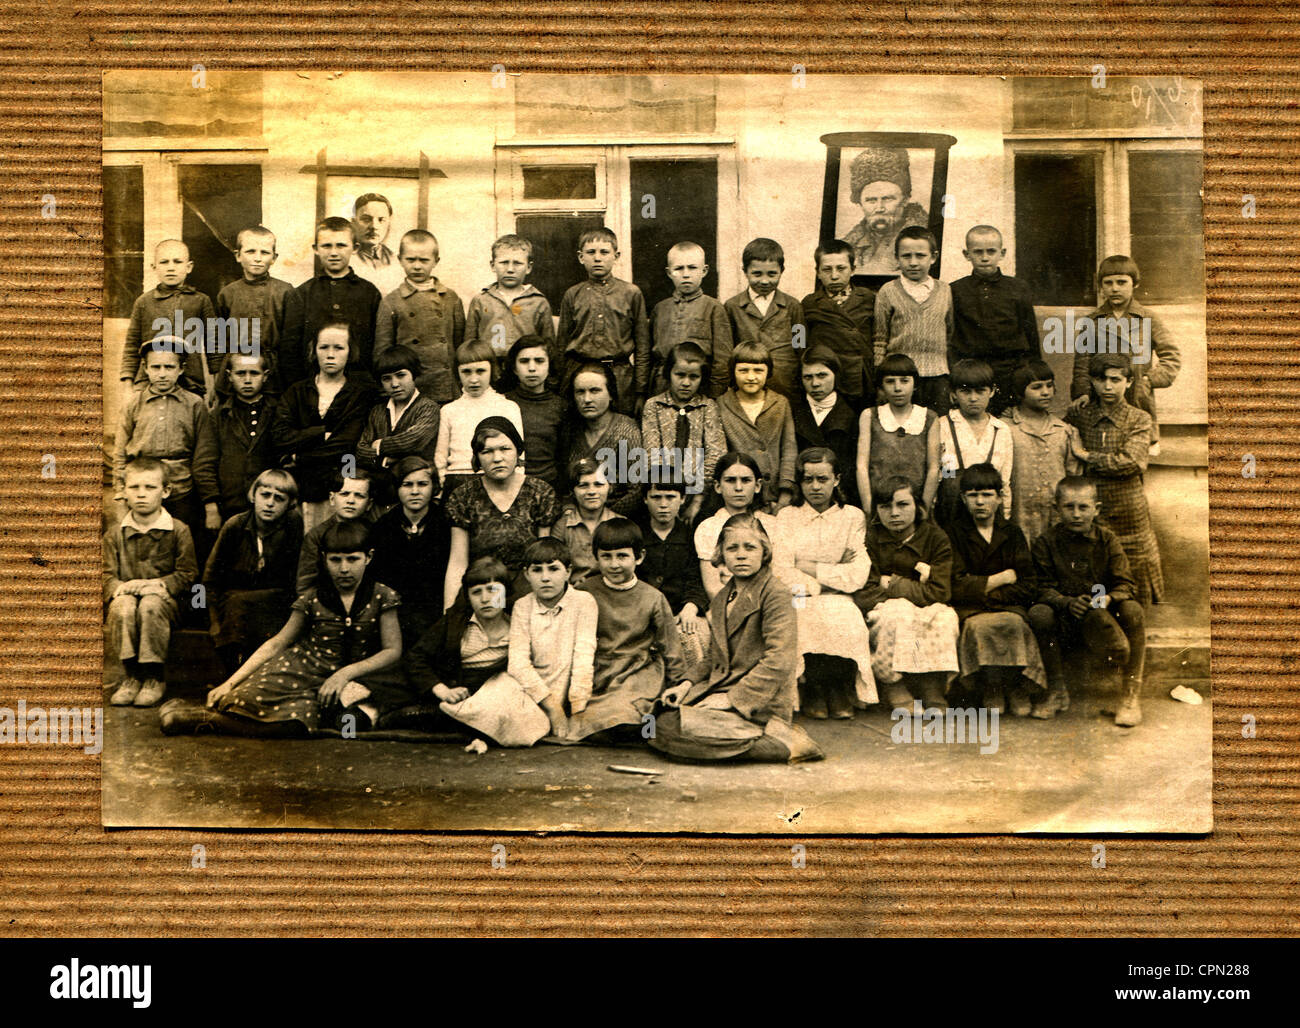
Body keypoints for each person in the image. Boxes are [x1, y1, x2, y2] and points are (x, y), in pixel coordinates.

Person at [159, 520, 402, 736]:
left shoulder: (382, 596)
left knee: (298, 723)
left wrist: (345, 673)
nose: (344, 569)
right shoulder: (313, 598)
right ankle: (202, 718)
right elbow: (277, 642)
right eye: (335, 560)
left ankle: (207, 722)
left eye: (353, 559)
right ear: (324, 559)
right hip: (302, 670)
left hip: (353, 675)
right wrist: (229, 683)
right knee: (241, 700)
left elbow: (393, 650)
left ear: (368, 557)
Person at [651, 513, 824, 764]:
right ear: (721, 554)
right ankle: (749, 740)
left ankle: (784, 744)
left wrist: (731, 699)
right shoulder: (723, 597)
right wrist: (686, 685)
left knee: (679, 737)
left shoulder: (776, 595)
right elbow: (714, 657)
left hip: (758, 702)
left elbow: (779, 660)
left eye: (750, 547)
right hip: (723, 688)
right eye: (732, 548)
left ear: (764, 551)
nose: (741, 555)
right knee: (660, 724)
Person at [1029, 476, 1146, 727]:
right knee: (1039, 613)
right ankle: (1057, 690)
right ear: (1056, 509)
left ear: (1097, 509)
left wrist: (1108, 598)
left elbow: (1126, 583)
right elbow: (1040, 587)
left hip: (1102, 615)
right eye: (1069, 507)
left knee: (1133, 610)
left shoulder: (1107, 540)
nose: (1076, 514)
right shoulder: (1046, 542)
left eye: (1083, 507)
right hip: (1065, 617)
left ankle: (1130, 694)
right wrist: (1065, 602)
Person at [774, 447, 876, 719]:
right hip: (797, 593)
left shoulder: (852, 516)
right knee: (801, 614)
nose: (815, 487)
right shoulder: (786, 517)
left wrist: (807, 566)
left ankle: (838, 687)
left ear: (837, 479)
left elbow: (857, 573)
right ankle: (814, 687)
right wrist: (826, 579)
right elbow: (782, 569)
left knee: (845, 615)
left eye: (823, 479)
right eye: (808, 480)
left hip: (840, 595)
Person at [404, 556, 543, 751]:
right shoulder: (456, 622)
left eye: (493, 590)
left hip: (495, 691)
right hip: (457, 686)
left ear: (506, 592)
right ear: (468, 597)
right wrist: (441, 689)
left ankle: (476, 732)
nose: (485, 599)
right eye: (476, 592)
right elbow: (416, 657)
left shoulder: (517, 624)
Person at [568, 519, 687, 742]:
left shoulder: (652, 597)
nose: (614, 564)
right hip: (597, 670)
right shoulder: (584, 592)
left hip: (636, 672)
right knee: (581, 712)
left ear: (639, 557)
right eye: (606, 556)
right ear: (596, 557)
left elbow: (670, 645)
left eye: (622, 556)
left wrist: (678, 686)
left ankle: (632, 726)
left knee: (627, 708)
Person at [948, 463, 1046, 717]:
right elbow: (955, 583)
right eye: (973, 495)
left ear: (1000, 498)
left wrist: (988, 593)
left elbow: (1028, 583)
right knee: (979, 627)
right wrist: (1000, 579)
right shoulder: (955, 534)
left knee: (1014, 624)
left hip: (1006, 605)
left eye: (987, 495)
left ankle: (1014, 685)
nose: (980, 502)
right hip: (970, 609)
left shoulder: (1012, 533)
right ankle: (990, 687)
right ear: (963, 498)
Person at [854, 476, 959, 712]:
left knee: (944, 617)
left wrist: (892, 585)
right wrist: (909, 594)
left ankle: (932, 684)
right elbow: (865, 591)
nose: (894, 513)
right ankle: (894, 684)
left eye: (902, 505)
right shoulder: (870, 538)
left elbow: (940, 591)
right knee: (898, 613)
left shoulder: (935, 538)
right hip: (885, 608)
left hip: (926, 605)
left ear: (918, 507)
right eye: (885, 506)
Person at [1066, 353, 1164, 605]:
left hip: (1128, 509)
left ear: (1129, 382)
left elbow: (1131, 462)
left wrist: (1087, 456)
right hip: (1092, 508)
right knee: (1095, 566)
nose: (1108, 387)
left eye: (1115, 379)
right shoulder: (1081, 415)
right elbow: (1060, 432)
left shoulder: (1139, 418)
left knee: (1135, 571)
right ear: (1092, 382)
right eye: (1100, 380)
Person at [112, 340, 220, 564]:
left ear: (181, 369)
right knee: (143, 552)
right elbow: (120, 452)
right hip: (142, 487)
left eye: (169, 367)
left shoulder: (194, 404)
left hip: (181, 489)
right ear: (145, 368)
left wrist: (210, 503)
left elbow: (204, 455)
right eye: (156, 367)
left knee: (181, 549)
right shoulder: (134, 403)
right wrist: (121, 493)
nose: (162, 374)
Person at [104, 458, 198, 708]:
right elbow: (105, 576)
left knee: (150, 604)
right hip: (128, 602)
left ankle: (154, 677)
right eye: (134, 488)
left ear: (165, 491)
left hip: (164, 605)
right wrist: (121, 587)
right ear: (123, 491)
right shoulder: (115, 534)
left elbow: (188, 574)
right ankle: (131, 676)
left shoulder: (178, 530)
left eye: (150, 487)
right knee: (122, 606)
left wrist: (158, 584)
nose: (141, 494)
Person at [1069, 255, 1181, 454]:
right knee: (1103, 450)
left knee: (1135, 452)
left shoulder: (1148, 319)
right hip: (1102, 397)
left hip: (1136, 397)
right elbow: (1082, 363)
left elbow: (1171, 357)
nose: (1114, 288)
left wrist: (1147, 380)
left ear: (1135, 284)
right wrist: (1083, 392)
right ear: (1100, 286)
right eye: (1108, 283)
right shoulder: (1092, 322)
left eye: (1122, 282)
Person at [443, 416, 559, 606]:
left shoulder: (540, 493)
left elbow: (545, 558)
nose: (497, 458)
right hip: (483, 590)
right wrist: (450, 611)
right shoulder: (464, 496)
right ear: (477, 457)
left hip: (529, 591)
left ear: (518, 452)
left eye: (505, 449)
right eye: (487, 451)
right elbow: (458, 562)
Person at [270, 323, 372, 532]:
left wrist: (299, 457)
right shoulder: (297, 391)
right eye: (324, 347)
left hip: (342, 486)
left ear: (350, 351)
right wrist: (319, 434)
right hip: (303, 489)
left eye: (339, 348)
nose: (330, 355)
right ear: (313, 350)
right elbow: (279, 436)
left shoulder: (360, 394)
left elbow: (347, 443)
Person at [203, 468, 303, 676]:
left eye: (279, 499)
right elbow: (211, 577)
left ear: (289, 504)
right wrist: (213, 621)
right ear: (253, 495)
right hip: (234, 603)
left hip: (275, 601)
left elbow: (297, 576)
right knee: (236, 605)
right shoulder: (235, 526)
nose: (270, 503)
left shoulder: (293, 525)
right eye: (265, 495)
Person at [505, 537, 600, 742]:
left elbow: (584, 657)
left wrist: (577, 709)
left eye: (553, 569)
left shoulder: (584, 602)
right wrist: (553, 708)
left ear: (568, 571)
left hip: (571, 691)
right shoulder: (523, 606)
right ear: (526, 574)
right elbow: (517, 663)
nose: (545, 578)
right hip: (533, 691)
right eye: (537, 570)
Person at [555, 227, 650, 415]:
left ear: (616, 255)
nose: (597, 258)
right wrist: (560, 383)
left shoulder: (631, 293)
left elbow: (643, 346)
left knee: (622, 427)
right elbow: (561, 345)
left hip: (620, 376)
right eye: (591, 252)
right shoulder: (573, 294)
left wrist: (640, 390)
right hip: (580, 374)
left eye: (604, 252)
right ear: (581, 257)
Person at [949, 225, 1041, 416]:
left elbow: (1030, 335)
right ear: (967, 254)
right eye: (978, 252)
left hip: (1010, 373)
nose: (984, 258)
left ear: (1002, 252)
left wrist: (1033, 374)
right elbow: (951, 336)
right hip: (972, 375)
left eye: (991, 251)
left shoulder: (1018, 288)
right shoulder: (955, 290)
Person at [280, 217, 382, 386]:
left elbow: (377, 344)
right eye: (326, 246)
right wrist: (300, 388)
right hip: (312, 385)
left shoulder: (369, 292)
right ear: (316, 249)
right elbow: (289, 348)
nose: (334, 252)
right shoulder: (302, 293)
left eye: (341, 245)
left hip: (360, 387)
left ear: (355, 248)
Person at [372, 229, 465, 404]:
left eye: (424, 260)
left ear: (436, 261)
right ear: (400, 260)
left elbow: (460, 345)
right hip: (409, 388)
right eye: (410, 259)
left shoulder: (450, 298)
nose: (416, 266)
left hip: (445, 386)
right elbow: (382, 352)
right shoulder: (391, 302)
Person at [119, 239, 216, 401]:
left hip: (189, 382)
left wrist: (214, 385)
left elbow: (214, 345)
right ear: (154, 267)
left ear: (189, 267)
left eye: (177, 262)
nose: (171, 267)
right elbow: (131, 345)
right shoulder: (143, 302)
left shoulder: (201, 301)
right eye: (164, 262)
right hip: (150, 381)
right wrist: (127, 385)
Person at [640, 341, 726, 522]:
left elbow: (715, 454)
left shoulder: (708, 407)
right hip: (663, 494)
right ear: (668, 373)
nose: (686, 382)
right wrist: (670, 495)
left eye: (693, 377)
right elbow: (652, 452)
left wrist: (696, 500)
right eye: (679, 375)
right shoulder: (654, 406)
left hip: (701, 495)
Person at [367, 456, 449, 646]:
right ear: (397, 488)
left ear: (433, 487)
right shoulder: (383, 527)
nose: (415, 491)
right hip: (394, 613)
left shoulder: (446, 524)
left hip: (434, 610)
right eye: (407, 485)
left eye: (422, 484)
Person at [873, 226, 955, 413]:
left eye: (920, 256)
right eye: (906, 256)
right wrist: (880, 382)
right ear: (897, 258)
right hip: (899, 378)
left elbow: (950, 333)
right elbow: (879, 340)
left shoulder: (945, 290)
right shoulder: (888, 291)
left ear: (933, 257)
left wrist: (950, 379)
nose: (913, 262)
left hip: (937, 377)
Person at [1005, 360, 1085, 545]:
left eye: (1049, 385)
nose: (1046, 392)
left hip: (1055, 518)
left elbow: (1074, 476)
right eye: (1037, 387)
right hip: (1020, 517)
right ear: (1019, 391)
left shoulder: (1065, 431)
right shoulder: (1006, 429)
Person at [432, 340, 524, 497]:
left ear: (492, 370)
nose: (473, 379)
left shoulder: (508, 407)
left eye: (480, 371)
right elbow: (440, 458)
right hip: (457, 480)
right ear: (457, 373)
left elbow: (519, 456)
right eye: (466, 372)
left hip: (497, 481)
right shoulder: (449, 410)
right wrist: (442, 489)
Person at [855, 352, 942, 514]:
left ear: (915, 384)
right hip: (881, 504)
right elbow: (861, 466)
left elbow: (933, 468)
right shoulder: (870, 415)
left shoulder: (929, 417)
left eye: (904, 381)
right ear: (881, 386)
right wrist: (868, 508)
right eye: (890, 382)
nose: (897, 388)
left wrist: (923, 508)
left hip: (915, 506)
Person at [715, 342, 797, 512]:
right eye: (743, 371)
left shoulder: (780, 403)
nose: (751, 377)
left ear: (769, 372)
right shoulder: (722, 404)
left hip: (773, 496)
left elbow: (789, 449)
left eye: (758, 371)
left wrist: (785, 492)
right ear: (733, 372)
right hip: (737, 495)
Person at [357, 343, 441, 505]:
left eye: (400, 375)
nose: (394, 384)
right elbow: (360, 451)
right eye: (386, 379)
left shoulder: (428, 407)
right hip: (383, 492)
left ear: (414, 374)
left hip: (417, 492)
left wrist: (380, 445)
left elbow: (413, 442)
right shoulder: (378, 411)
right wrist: (385, 460)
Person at [637, 480, 710, 668]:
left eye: (670, 497)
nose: (663, 504)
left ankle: (691, 687)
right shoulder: (636, 535)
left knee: (692, 636)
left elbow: (696, 578)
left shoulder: (690, 536)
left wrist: (691, 607)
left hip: (680, 612)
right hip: (643, 613)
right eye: (656, 497)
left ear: (683, 499)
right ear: (645, 499)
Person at [933, 358, 1013, 530]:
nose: (973, 398)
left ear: (991, 392)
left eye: (980, 391)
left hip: (990, 514)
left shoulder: (1001, 430)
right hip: (953, 510)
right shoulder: (944, 425)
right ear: (954, 394)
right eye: (965, 391)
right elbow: (944, 474)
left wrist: (1005, 515)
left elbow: (1004, 479)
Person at [558, 361, 644, 517]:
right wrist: (570, 509)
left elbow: (636, 491)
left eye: (595, 391)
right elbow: (565, 485)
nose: (587, 399)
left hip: (616, 520)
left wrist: (601, 518)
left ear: (610, 394)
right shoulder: (570, 430)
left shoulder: (627, 431)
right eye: (580, 392)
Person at [693, 451, 782, 602]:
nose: (738, 488)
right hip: (726, 607)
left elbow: (780, 575)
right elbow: (712, 587)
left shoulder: (772, 525)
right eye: (730, 480)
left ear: (758, 486)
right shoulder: (708, 528)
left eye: (746, 480)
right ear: (717, 486)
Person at [214, 226, 293, 393]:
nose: (258, 258)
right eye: (250, 251)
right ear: (238, 256)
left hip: (274, 372)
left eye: (264, 253)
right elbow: (219, 340)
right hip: (237, 371)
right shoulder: (227, 294)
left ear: (274, 258)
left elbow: (291, 340)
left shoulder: (285, 291)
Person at [723, 237, 805, 399]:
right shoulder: (732, 307)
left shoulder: (793, 306)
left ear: (782, 270)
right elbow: (728, 349)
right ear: (745, 271)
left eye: (772, 274)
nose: (765, 280)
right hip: (747, 386)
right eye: (757, 274)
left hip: (785, 386)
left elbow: (800, 346)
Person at [649, 241, 733, 398]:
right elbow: (649, 355)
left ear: (704, 271)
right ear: (669, 273)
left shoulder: (714, 308)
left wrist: (715, 396)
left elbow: (723, 360)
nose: (685, 274)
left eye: (692, 268)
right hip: (662, 388)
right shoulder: (660, 309)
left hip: (701, 389)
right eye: (679, 268)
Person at [800, 239, 875, 409]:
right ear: (817, 272)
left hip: (860, 381)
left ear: (853, 269)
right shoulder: (807, 304)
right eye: (827, 269)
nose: (834, 276)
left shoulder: (869, 299)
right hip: (823, 381)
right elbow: (797, 343)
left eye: (841, 268)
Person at [464, 234, 557, 362]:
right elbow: (469, 343)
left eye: (517, 263)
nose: (510, 269)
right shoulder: (481, 300)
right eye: (504, 263)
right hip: (489, 367)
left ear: (529, 267)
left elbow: (549, 345)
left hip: (524, 367)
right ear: (492, 265)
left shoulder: (538, 302)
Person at [841, 146, 929, 276]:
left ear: (905, 200)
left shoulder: (926, 239)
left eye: (887, 199)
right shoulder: (848, 247)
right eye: (871, 200)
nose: (879, 208)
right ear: (860, 203)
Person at [792, 345, 860, 508]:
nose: (815, 383)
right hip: (801, 500)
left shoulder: (851, 414)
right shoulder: (793, 412)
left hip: (842, 499)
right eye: (808, 377)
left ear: (835, 375)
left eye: (822, 375)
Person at [211, 350, 276, 520]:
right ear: (229, 376)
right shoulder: (218, 416)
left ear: (265, 376)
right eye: (240, 373)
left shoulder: (278, 412)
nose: (247, 380)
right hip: (230, 504)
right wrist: (211, 504)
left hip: (271, 503)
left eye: (254, 373)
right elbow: (206, 462)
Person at [498, 334, 564, 489]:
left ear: (549, 365)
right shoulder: (502, 402)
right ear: (514, 368)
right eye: (524, 361)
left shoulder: (560, 406)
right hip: (509, 486)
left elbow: (564, 458)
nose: (532, 368)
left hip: (549, 485)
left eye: (539, 361)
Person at [295, 471, 376, 595]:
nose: (351, 501)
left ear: (369, 504)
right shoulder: (316, 536)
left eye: (359, 496)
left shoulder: (376, 533)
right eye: (344, 494)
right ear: (332, 499)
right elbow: (305, 585)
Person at [552, 457, 618, 582]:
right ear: (573, 491)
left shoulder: (620, 523)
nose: (591, 491)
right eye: (583, 486)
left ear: (610, 487)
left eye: (598, 484)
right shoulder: (562, 527)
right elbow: (555, 568)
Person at [350, 192, 405, 296]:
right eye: (366, 219)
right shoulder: (345, 259)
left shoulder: (396, 259)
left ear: (388, 223)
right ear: (353, 222)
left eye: (381, 220)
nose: (374, 226)